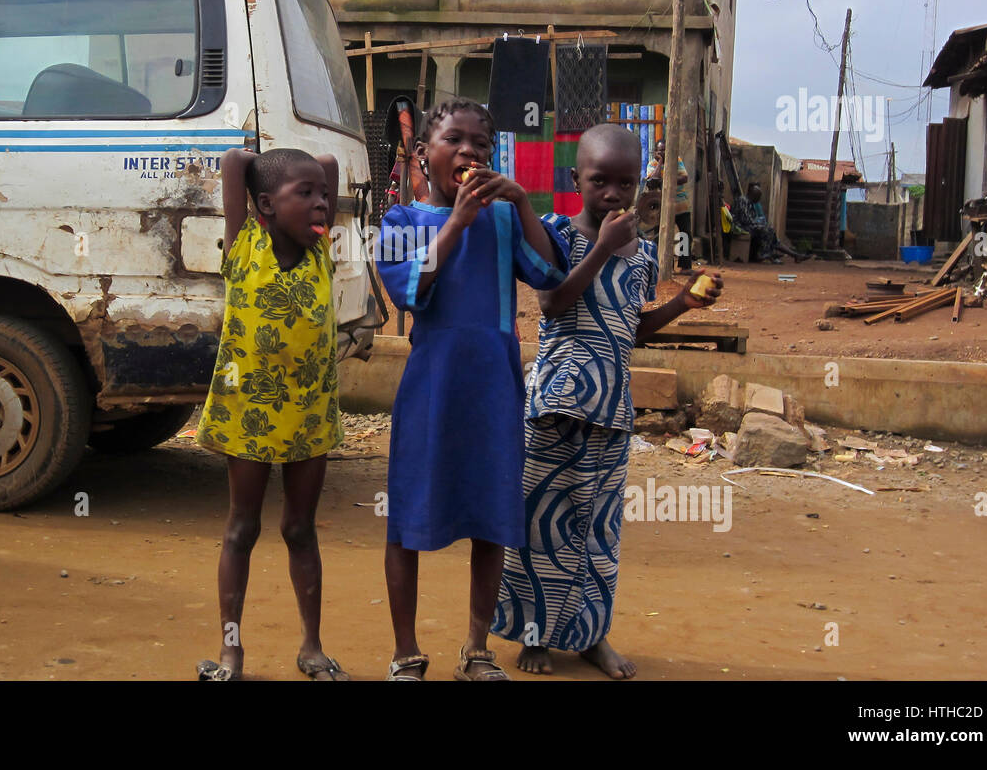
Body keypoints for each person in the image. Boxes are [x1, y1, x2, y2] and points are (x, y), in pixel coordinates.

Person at [493, 124, 722, 679]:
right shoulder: (556, 233)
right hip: (557, 402)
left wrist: (684, 304)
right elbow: (554, 303)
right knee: (539, 521)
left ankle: (592, 637)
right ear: (577, 180)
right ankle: (535, 635)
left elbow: (632, 328)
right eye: (601, 181)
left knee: (598, 530)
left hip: (613, 408)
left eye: (625, 182)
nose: (614, 194)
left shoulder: (642, 254)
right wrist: (599, 249)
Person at [375, 97, 567, 681]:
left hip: (493, 385)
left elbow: (552, 274)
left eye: (480, 145)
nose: (468, 153)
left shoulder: (506, 220)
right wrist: (457, 220)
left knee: (491, 516)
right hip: (432, 382)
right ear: (421, 155)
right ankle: (406, 652)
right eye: (453, 140)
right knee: (408, 514)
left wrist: (521, 204)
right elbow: (409, 290)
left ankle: (476, 649)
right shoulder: (401, 222)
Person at [194, 146, 348, 681]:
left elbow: (328, 163)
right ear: (264, 205)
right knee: (242, 528)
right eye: (303, 195)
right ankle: (231, 650)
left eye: (324, 196)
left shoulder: (322, 252)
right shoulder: (244, 247)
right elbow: (234, 164)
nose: (320, 205)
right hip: (249, 416)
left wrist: (311, 182)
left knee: (301, 529)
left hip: (308, 417)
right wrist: (258, 164)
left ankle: (311, 646)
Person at [645, 139, 692, 272]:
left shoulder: (677, 160)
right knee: (662, 236)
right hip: (662, 206)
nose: (663, 153)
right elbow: (652, 181)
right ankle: (664, 266)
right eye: (660, 151)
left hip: (680, 204)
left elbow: (684, 178)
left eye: (665, 150)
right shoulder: (652, 164)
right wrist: (660, 162)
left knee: (684, 234)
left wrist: (664, 180)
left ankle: (685, 266)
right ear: (656, 152)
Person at [739, 182, 810, 263]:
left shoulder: (750, 203)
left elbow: (751, 219)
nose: (758, 199)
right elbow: (745, 220)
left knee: (772, 235)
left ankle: (795, 255)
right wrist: (758, 223)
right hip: (740, 226)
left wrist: (758, 222)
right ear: (753, 195)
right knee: (767, 230)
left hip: (747, 226)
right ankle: (764, 254)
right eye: (758, 197)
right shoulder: (743, 201)